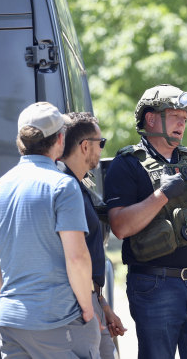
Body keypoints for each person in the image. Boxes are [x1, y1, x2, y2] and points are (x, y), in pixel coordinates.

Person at [104, 84, 187, 359]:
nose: (182, 123)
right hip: (154, 286)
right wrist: (161, 195)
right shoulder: (127, 164)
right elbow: (120, 226)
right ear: (151, 118)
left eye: (185, 119)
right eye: (175, 116)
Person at [0, 102, 100, 358]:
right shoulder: (62, 186)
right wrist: (88, 309)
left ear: (20, 140)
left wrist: (16, 300)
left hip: (10, 321)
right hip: (58, 318)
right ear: (60, 139)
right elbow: (77, 258)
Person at [59, 112, 126, 358]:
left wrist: (103, 305)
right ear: (85, 146)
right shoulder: (64, 189)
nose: (101, 149)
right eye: (101, 143)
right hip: (77, 307)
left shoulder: (79, 184)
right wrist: (88, 309)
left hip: (90, 301)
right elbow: (70, 258)